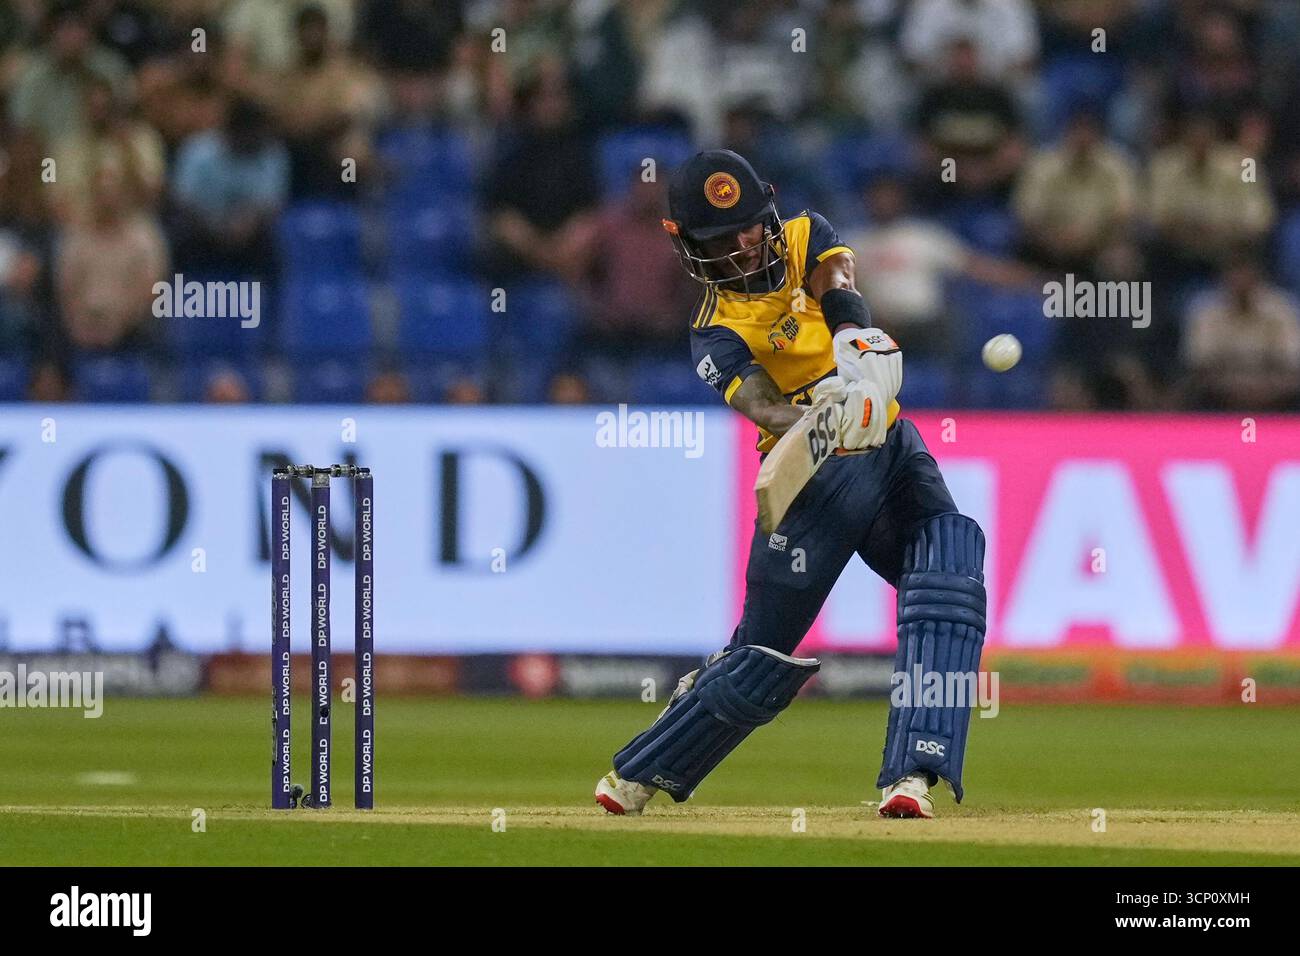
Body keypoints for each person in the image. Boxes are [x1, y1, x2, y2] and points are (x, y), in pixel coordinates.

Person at [594, 150, 987, 819]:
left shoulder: (808, 234)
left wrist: (856, 345)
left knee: (948, 579)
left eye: (749, 227)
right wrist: (823, 414)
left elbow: (839, 285)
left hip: (889, 445)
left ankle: (913, 774)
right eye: (721, 238)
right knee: (761, 656)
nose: (742, 246)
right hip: (810, 479)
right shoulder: (714, 330)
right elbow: (760, 405)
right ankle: (643, 768)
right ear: (688, 245)